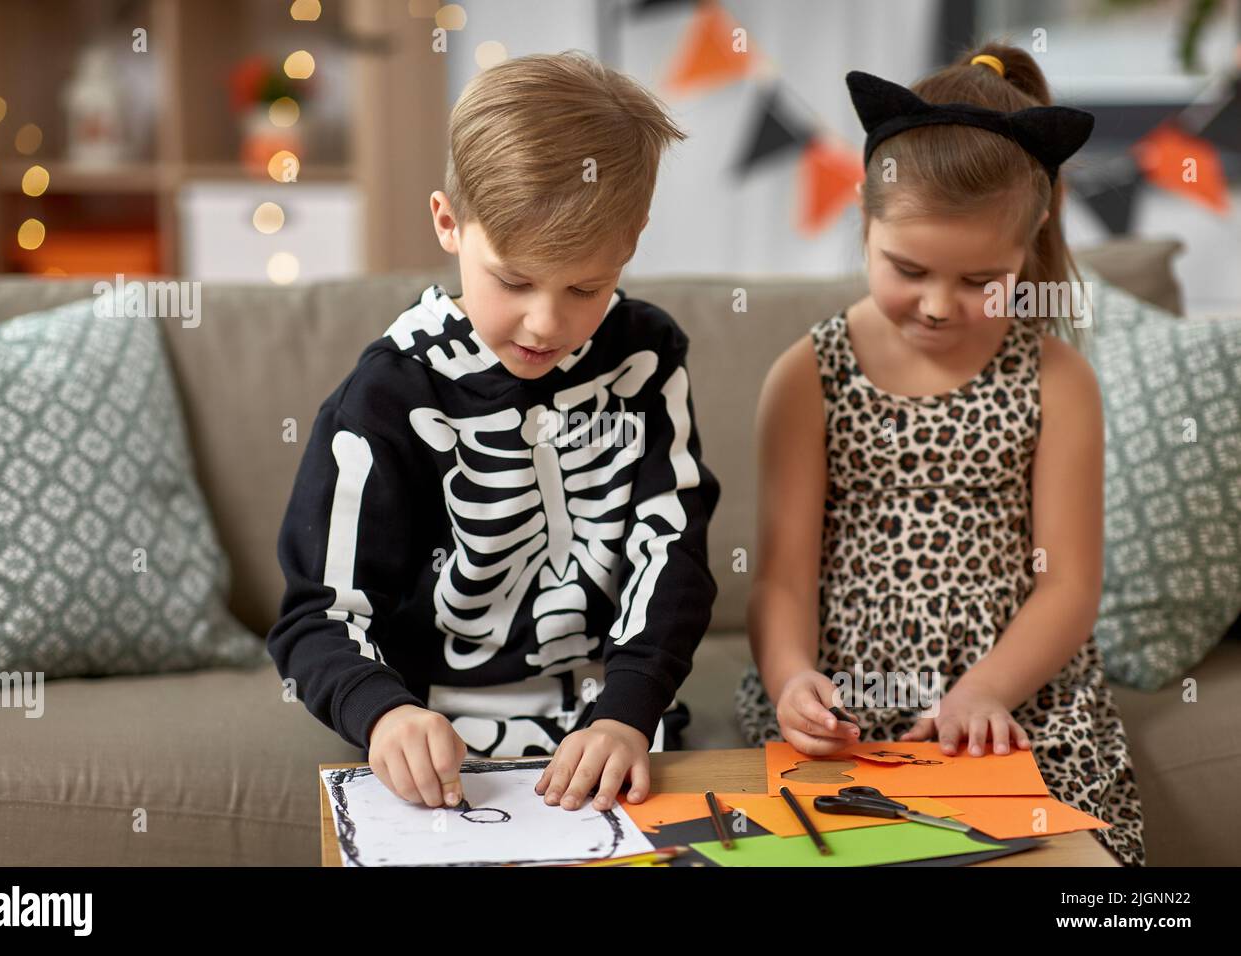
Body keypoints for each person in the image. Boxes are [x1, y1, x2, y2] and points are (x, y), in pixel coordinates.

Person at [268, 51, 719, 817]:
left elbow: (670, 548)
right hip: (436, 746)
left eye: (586, 287)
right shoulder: (385, 396)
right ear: (449, 221)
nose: (546, 323)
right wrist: (383, 713)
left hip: (613, 723)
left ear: (631, 244)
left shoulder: (644, 359)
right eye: (513, 281)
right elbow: (318, 612)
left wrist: (626, 706)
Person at [735, 43, 1146, 866]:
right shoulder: (808, 376)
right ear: (864, 216)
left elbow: (1068, 583)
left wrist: (988, 691)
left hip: (1010, 705)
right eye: (909, 269)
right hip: (846, 709)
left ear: (1033, 241)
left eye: (979, 282)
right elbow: (781, 577)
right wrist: (790, 683)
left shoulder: (1057, 381)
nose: (936, 306)